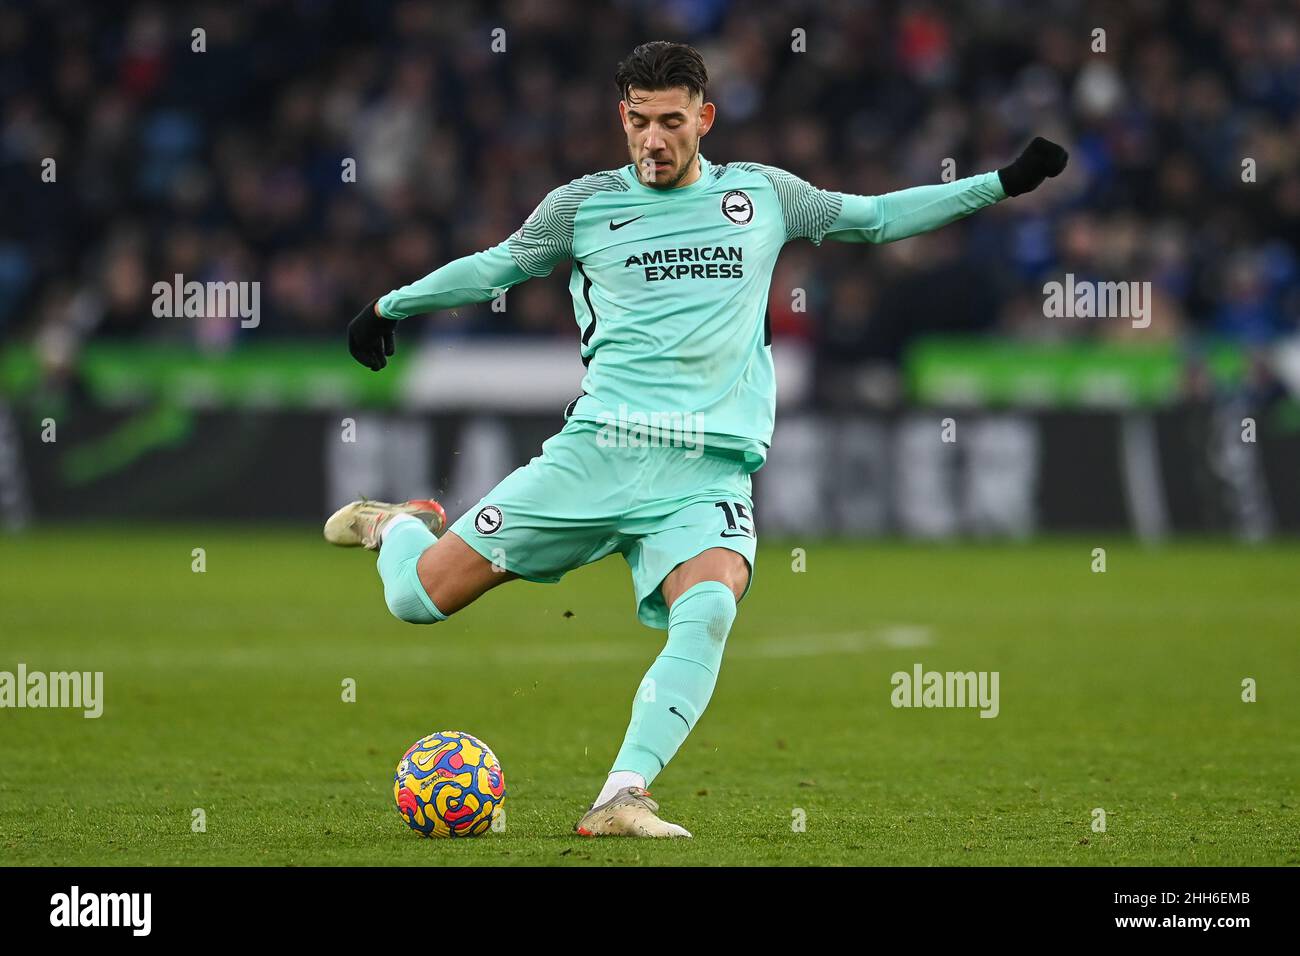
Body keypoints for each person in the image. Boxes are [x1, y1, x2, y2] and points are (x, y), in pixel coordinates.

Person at [327, 40, 1067, 837]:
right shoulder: (581, 207)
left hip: (705, 473)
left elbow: (879, 218)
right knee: (414, 600)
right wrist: (390, 305)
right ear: (622, 118)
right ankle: (395, 523)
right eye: (639, 121)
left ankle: (622, 794)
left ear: (704, 118)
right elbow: (495, 269)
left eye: (671, 121)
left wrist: (1003, 183)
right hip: (599, 454)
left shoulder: (763, 196)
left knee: (710, 605)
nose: (653, 139)